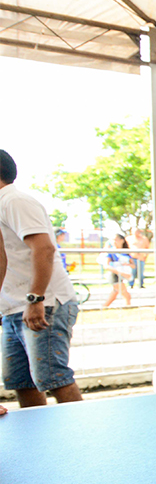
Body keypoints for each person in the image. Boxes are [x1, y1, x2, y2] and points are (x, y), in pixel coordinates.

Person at [0, 148, 83, 408]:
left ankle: (84, 441)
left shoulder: (14, 200)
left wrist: (35, 298)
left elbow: (44, 248)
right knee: (21, 382)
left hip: (45, 303)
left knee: (53, 378)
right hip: (14, 307)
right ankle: (39, 443)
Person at [99, 234, 133, 308]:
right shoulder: (111, 252)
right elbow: (106, 266)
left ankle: (104, 307)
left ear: (122, 240)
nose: (114, 242)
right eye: (112, 240)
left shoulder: (125, 252)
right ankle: (128, 309)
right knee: (126, 295)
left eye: (116, 239)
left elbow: (133, 265)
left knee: (115, 293)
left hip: (122, 275)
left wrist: (126, 266)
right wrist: (121, 272)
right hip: (114, 275)